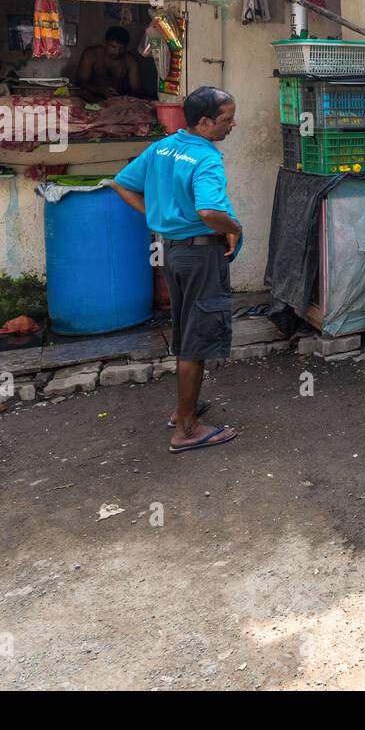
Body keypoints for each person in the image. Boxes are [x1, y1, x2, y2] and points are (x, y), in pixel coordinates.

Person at [110, 86, 243, 454]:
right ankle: (186, 428)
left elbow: (122, 183)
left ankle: (183, 409)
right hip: (200, 257)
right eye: (227, 118)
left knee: (186, 333)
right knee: (197, 340)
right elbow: (208, 212)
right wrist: (235, 227)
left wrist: (159, 217)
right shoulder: (206, 159)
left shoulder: (162, 147)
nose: (233, 124)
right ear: (203, 123)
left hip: (173, 253)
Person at [75, 26, 141, 103]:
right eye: (113, 47)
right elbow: (81, 81)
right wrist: (100, 90)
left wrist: (121, 98)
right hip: (91, 97)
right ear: (105, 43)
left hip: (117, 100)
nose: (117, 52)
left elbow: (137, 90)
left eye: (121, 48)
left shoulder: (130, 61)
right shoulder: (91, 54)